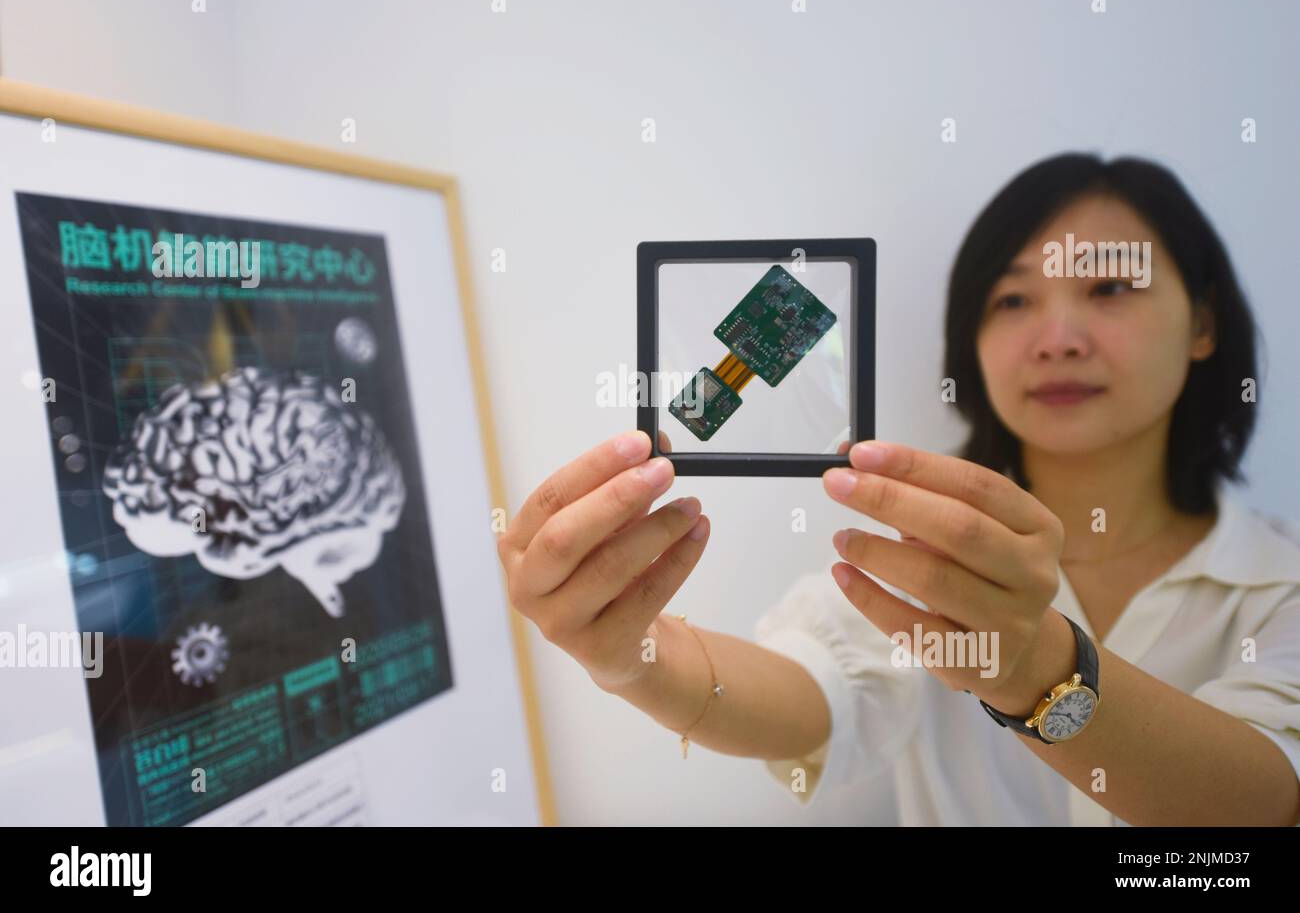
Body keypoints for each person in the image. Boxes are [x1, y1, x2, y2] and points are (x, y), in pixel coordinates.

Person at [495, 153, 1300, 825]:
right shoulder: (911, 568)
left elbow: (1267, 799)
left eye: (1110, 288)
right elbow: (804, 690)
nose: (1058, 339)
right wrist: (632, 653)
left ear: (1203, 323)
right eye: (1013, 299)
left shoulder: (1282, 588)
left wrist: (1034, 664)